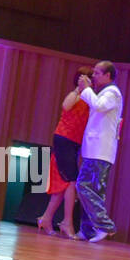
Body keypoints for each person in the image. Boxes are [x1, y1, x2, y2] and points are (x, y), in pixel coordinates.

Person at [37, 66, 92, 239]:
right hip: (64, 140)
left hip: (74, 143)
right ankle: (67, 222)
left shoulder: (91, 98)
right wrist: (79, 88)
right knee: (71, 181)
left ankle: (46, 218)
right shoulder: (75, 95)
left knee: (64, 184)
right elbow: (66, 105)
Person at [75, 61, 123, 243]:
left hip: (101, 151)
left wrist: (86, 89)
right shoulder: (105, 92)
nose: (93, 76)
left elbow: (99, 106)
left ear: (108, 75)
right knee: (93, 191)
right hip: (95, 150)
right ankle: (88, 230)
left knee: (84, 186)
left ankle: (104, 225)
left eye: (97, 73)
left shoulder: (113, 93)